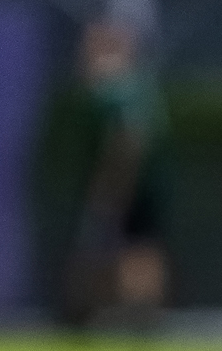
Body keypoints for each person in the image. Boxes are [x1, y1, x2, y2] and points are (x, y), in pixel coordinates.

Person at [60, 19, 172, 330]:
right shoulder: (136, 86)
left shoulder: (116, 89)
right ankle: (131, 316)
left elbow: (128, 140)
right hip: (140, 188)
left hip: (130, 188)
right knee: (138, 248)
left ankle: (129, 316)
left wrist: (111, 188)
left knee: (127, 249)